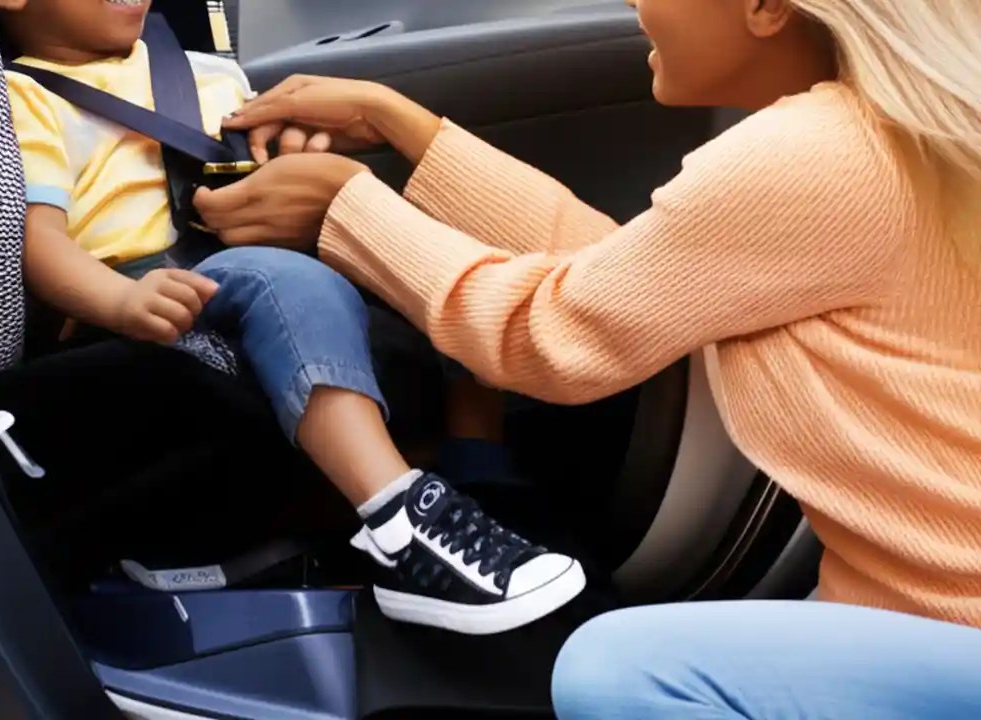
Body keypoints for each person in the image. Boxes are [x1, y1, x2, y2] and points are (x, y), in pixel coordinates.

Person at [193, 0, 981, 715]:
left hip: (947, 635)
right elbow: (630, 274)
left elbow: (547, 335)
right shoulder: (895, 134)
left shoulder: (818, 152)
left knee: (618, 669)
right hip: (921, 630)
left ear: (767, 8)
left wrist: (347, 207)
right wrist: (406, 128)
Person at [0, 0, 587, 635]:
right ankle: (399, 518)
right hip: (148, 284)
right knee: (288, 281)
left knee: (438, 266)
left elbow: (266, 168)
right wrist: (117, 301)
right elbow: (37, 241)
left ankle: (473, 467)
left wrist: (292, 162)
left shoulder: (206, 75)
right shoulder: (25, 97)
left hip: (249, 259)